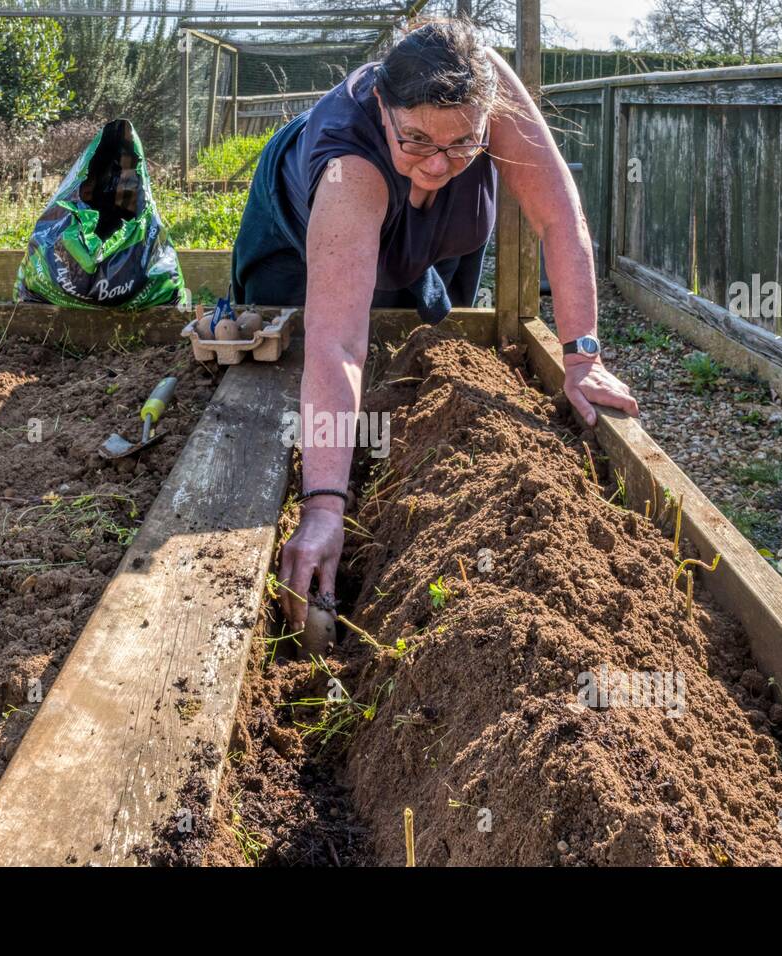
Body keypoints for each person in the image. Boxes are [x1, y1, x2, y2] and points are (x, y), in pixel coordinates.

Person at [229, 18, 640, 631]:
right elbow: (338, 342)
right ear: (381, 106)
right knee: (292, 361)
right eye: (417, 139)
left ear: (485, 116)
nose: (440, 164)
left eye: (463, 145)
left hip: (424, 231)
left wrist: (582, 357)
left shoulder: (487, 90)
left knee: (421, 341)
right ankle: (326, 475)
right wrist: (322, 508)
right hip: (298, 237)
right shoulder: (349, 168)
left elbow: (560, 217)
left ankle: (374, 446)